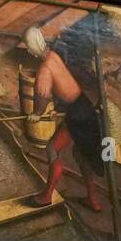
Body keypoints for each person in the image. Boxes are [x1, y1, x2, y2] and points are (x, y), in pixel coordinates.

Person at [23, 26, 105, 211]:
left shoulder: (44, 68)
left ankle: (46, 196)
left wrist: (37, 113)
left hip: (76, 113)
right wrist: (59, 109)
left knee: (52, 148)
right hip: (84, 107)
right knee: (81, 155)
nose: (27, 51)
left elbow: (42, 96)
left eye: (28, 46)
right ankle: (93, 200)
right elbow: (65, 86)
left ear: (33, 46)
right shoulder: (53, 56)